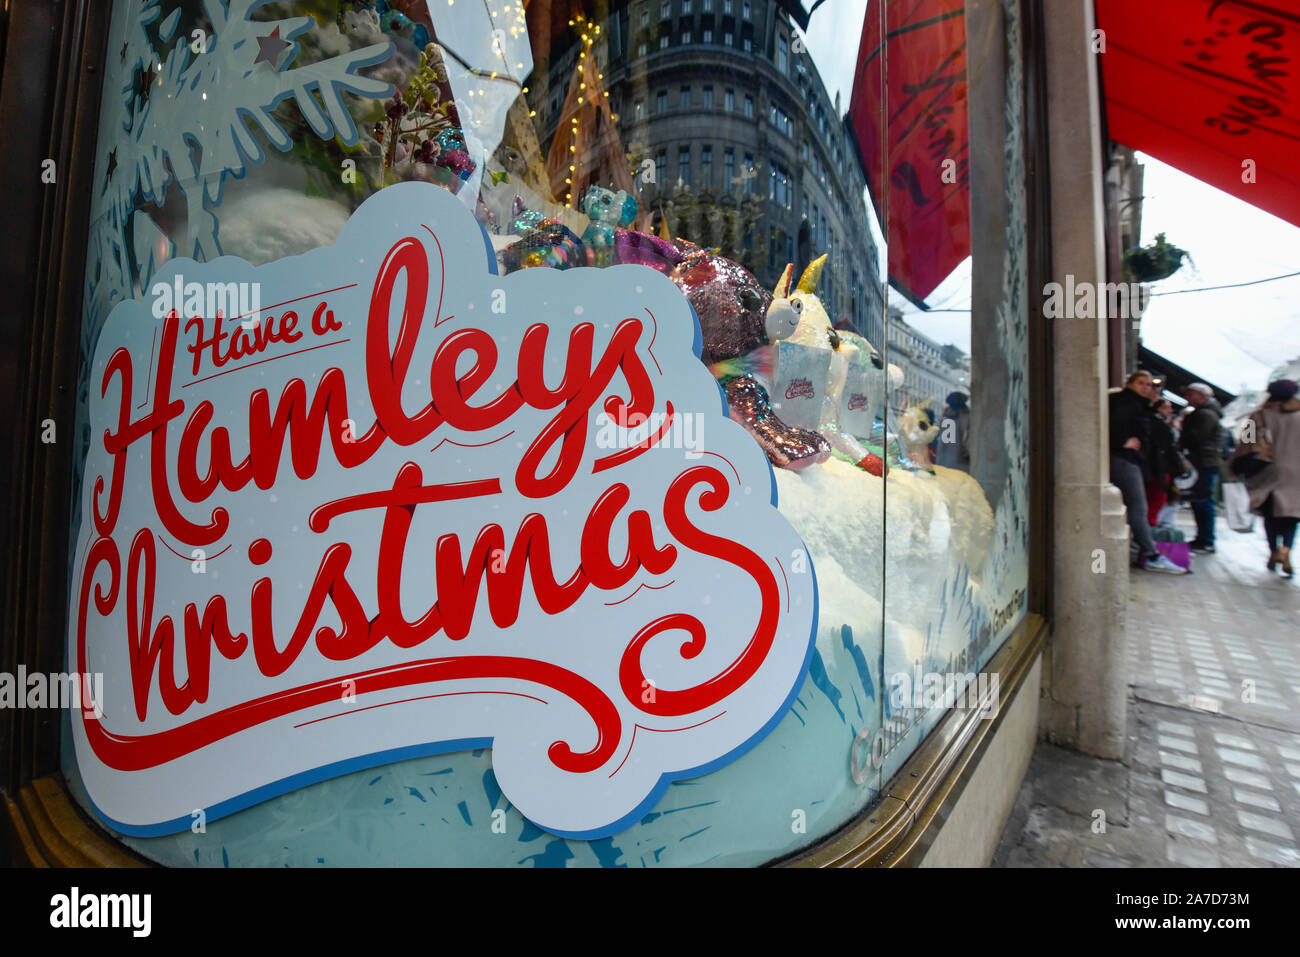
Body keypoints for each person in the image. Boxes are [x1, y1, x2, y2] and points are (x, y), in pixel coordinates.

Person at [1110, 370, 1186, 574]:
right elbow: (1115, 424)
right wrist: (1123, 442)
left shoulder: (1138, 404)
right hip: (1125, 459)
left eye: (1149, 384)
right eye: (1141, 383)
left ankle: (1147, 548)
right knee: (1139, 508)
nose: (1146, 387)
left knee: (1139, 508)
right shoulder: (1127, 402)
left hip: (1131, 460)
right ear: (1130, 383)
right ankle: (1151, 553)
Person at [1238, 378, 1300, 578]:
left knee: (1270, 515)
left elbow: (1246, 442)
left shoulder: (1259, 415)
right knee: (1291, 516)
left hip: (1268, 471)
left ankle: (1274, 550)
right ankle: (1286, 550)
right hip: (1296, 474)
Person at [1180, 382, 1223, 553]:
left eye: (1191, 394)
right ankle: (1204, 538)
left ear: (1202, 396)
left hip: (1203, 462)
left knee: (1203, 500)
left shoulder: (1204, 415)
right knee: (1201, 500)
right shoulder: (1207, 413)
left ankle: (1206, 540)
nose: (1187, 397)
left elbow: (1195, 437)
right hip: (1204, 461)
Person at [1145, 396, 1177, 528]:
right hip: (1158, 468)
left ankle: (1149, 528)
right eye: (1165, 407)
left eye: (1170, 407)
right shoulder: (1158, 424)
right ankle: (1149, 529)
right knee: (1157, 499)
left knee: (1157, 499)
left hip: (1158, 467)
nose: (1169, 410)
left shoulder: (1162, 423)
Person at [935, 391, 970, 471]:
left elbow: (938, 432)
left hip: (943, 452)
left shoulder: (946, 415)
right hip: (957, 454)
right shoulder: (966, 415)